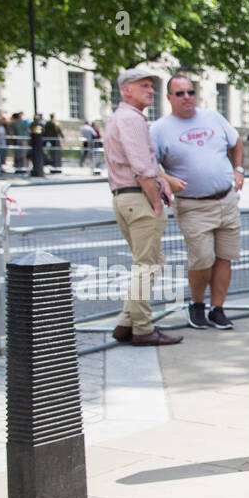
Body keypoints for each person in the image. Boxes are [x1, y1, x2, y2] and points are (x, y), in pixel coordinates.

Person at [151, 73, 246, 331]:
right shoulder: (159, 129)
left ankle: (218, 309)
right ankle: (196, 305)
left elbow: (236, 142)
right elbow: (148, 163)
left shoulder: (213, 118)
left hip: (226, 200)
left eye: (190, 92)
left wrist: (239, 169)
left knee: (225, 257)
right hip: (193, 205)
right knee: (202, 259)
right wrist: (167, 178)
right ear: (169, 97)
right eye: (180, 93)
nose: (186, 98)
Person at [103, 68, 181, 347]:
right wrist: (155, 202)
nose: (151, 90)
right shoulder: (131, 120)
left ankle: (126, 323)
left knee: (148, 264)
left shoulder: (120, 118)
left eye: (152, 86)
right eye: (144, 86)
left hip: (124, 197)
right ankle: (143, 328)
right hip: (138, 197)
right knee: (147, 266)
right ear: (126, 90)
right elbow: (142, 167)